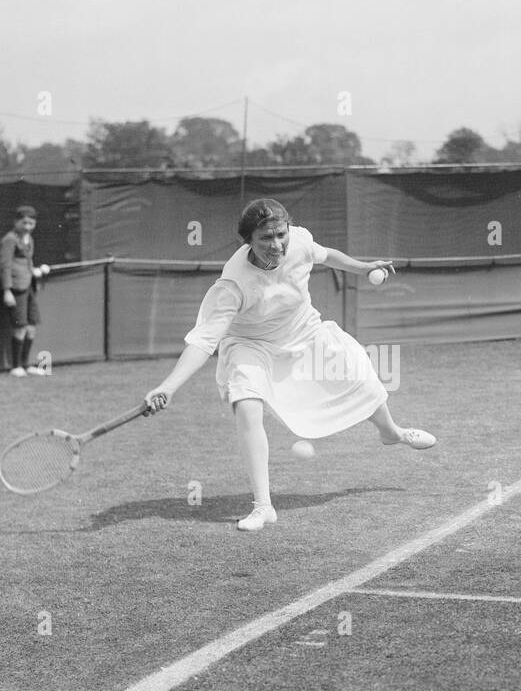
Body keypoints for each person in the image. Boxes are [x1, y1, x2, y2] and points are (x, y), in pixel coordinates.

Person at [144, 197, 435, 532]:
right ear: (249, 241)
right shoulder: (233, 283)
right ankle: (263, 506)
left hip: (303, 329)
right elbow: (203, 341)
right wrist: (168, 386)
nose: (276, 244)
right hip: (250, 344)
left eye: (280, 234)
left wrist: (364, 267)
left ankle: (392, 433)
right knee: (247, 404)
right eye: (266, 238)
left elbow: (326, 255)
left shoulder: (299, 242)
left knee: (354, 370)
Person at [0, 204, 50, 377]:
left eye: (31, 224)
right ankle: (16, 366)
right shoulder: (9, 239)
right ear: (16, 222)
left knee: (31, 326)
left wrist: (34, 271)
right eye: (24, 223)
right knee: (20, 327)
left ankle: (26, 365)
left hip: (29, 286)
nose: (27, 227)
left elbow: (26, 262)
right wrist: (7, 290)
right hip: (16, 288)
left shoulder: (29, 239)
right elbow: (4, 266)